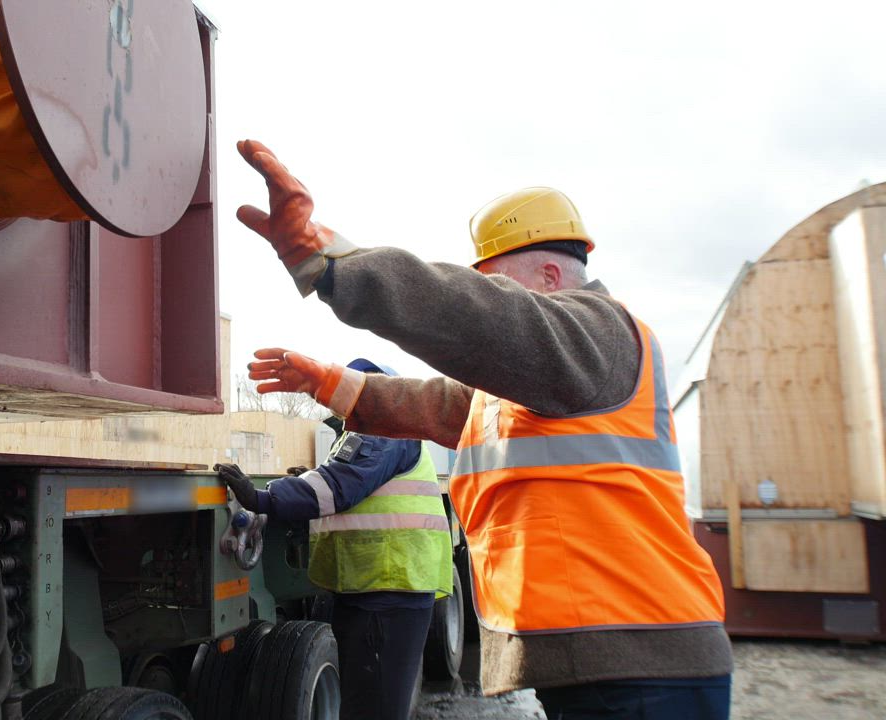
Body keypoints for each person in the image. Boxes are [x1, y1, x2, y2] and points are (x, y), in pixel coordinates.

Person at [235, 139, 732, 720]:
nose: (492, 297)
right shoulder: (544, 378)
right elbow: (444, 406)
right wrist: (332, 383)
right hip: (610, 653)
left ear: (550, 275)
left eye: (497, 282)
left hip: (644, 657)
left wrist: (327, 260)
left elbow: (478, 317)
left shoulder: (600, 334)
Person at [215, 359, 452, 720]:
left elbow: (339, 485)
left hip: (385, 592)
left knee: (373, 709)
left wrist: (263, 498)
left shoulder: (385, 429)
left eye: (353, 389)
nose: (342, 399)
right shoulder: (379, 433)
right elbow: (341, 482)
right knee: (367, 705)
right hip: (381, 589)